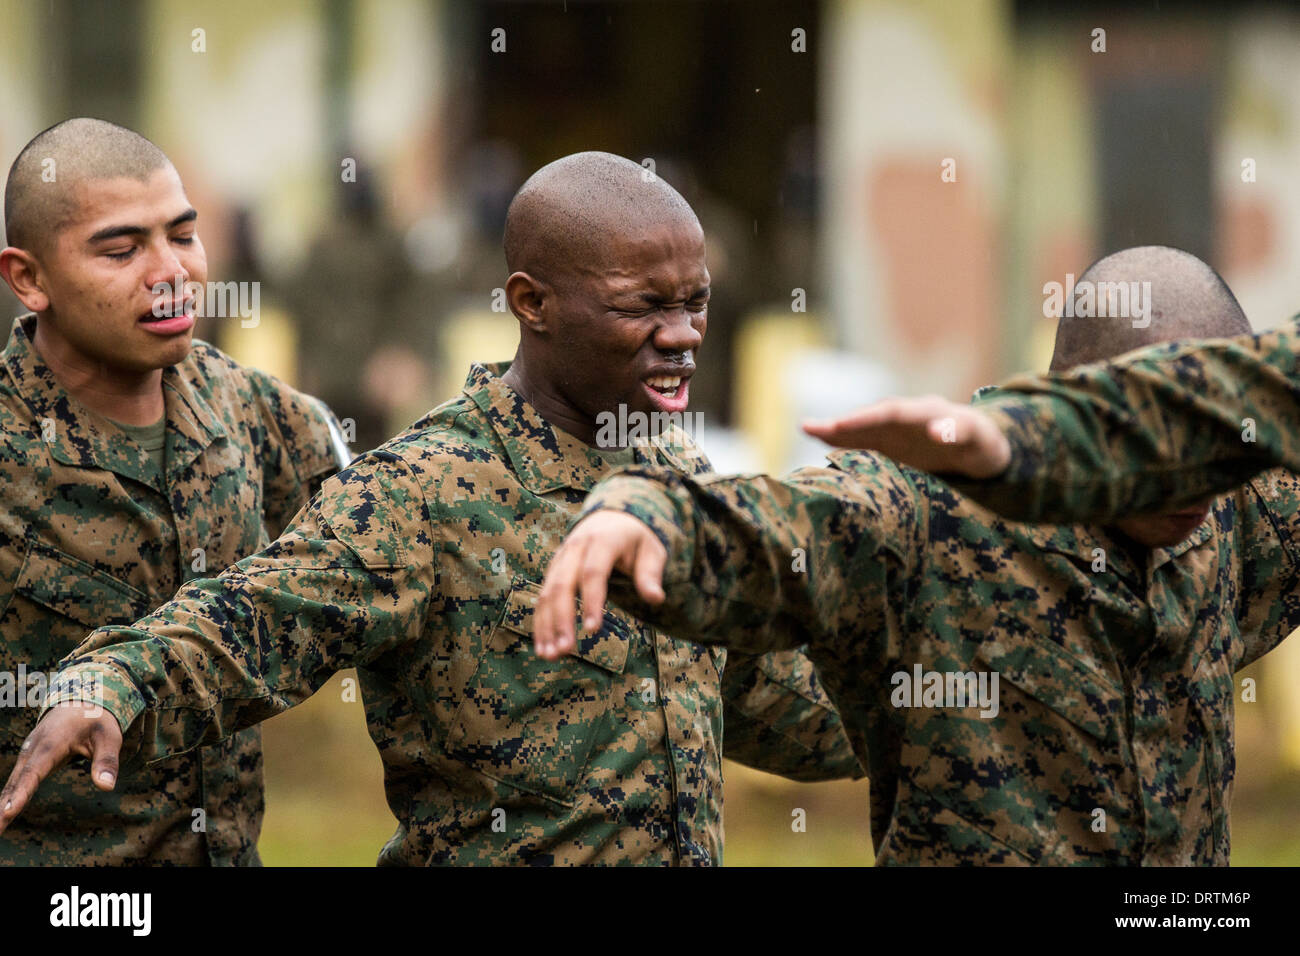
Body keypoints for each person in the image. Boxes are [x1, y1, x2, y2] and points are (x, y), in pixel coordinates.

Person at [0, 151, 860, 866]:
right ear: (532, 304)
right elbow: (254, 617)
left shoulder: (675, 479)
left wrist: (935, 701)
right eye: (644, 306)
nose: (683, 334)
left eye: (694, 301)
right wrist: (113, 681)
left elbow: (751, 689)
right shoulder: (425, 492)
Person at [532, 246, 1296, 865]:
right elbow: (794, 522)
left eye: (1219, 454)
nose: (1201, 486)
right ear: (1077, 410)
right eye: (1172, 456)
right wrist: (646, 518)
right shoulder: (939, 508)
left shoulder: (1233, 516)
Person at [0, 118, 348, 864]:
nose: (171, 271)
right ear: (28, 279)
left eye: (183, 237)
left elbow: (374, 558)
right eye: (122, 250)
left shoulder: (256, 412)